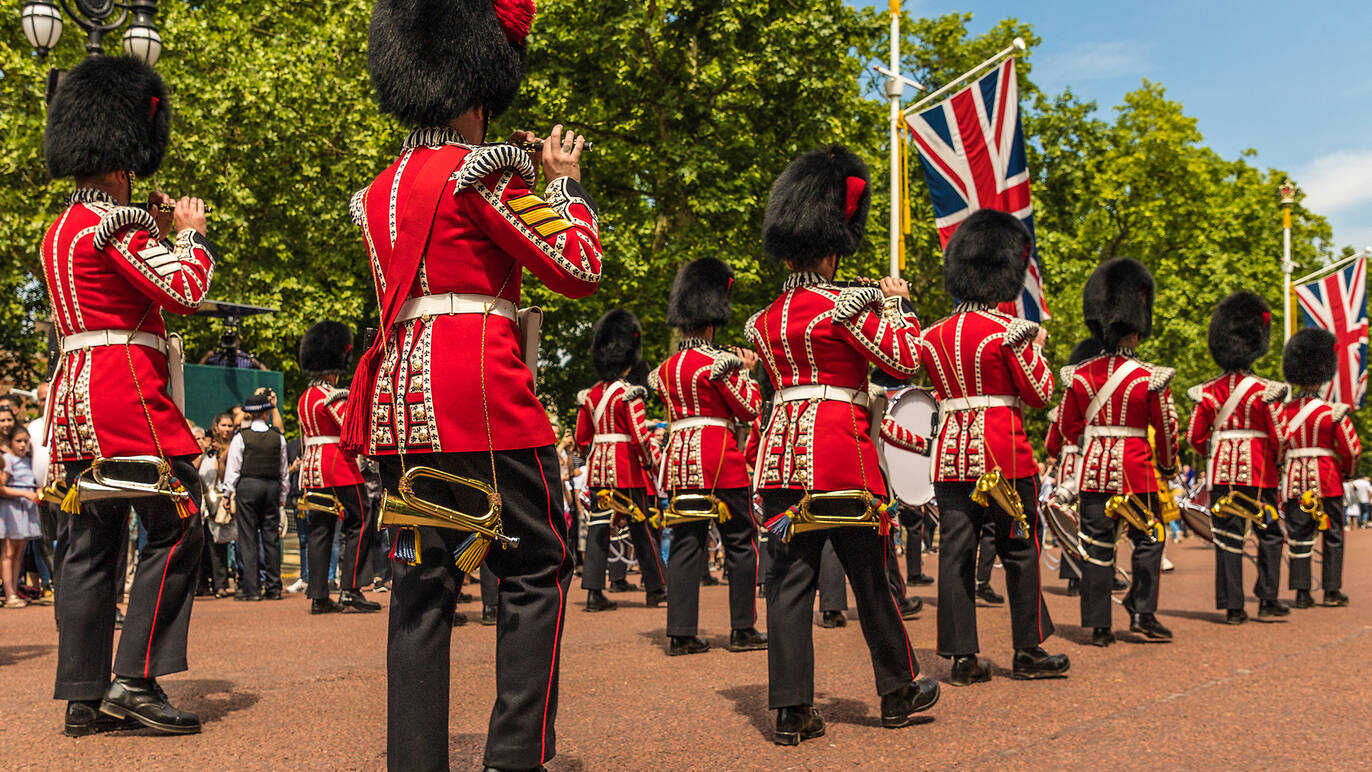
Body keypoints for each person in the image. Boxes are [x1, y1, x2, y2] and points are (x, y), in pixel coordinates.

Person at [347, 1, 601, 768]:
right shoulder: (481, 175)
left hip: (401, 399)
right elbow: (577, 270)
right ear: (476, 84)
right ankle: (515, 755)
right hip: (479, 392)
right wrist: (564, 188)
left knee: (424, 587)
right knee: (535, 566)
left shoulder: (376, 192)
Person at [41, 55, 213, 736]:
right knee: (179, 519)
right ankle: (134, 679)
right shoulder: (115, 226)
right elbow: (186, 292)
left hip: (77, 400)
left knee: (92, 538)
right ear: (121, 163)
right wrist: (190, 235)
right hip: (123, 395)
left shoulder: (63, 229)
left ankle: (83, 693)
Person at [746, 146, 938, 745]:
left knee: (789, 585)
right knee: (872, 579)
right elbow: (906, 361)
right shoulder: (847, 307)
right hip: (842, 454)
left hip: (782, 458)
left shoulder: (762, 320)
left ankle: (791, 711)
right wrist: (898, 306)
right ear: (834, 243)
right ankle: (897, 689)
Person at [917, 209, 1068, 686]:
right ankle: (1028, 649)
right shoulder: (1009, 333)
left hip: (950, 455)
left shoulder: (931, 335)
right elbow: (1041, 393)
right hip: (1003, 451)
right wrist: (1037, 347)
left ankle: (962, 658)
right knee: (1020, 550)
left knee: (955, 555)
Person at [648, 257, 767, 656]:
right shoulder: (719, 363)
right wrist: (748, 370)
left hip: (680, 460)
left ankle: (681, 633)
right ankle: (742, 628)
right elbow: (749, 409)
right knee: (740, 541)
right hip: (719, 458)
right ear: (713, 318)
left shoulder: (665, 369)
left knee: (687, 542)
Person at [1058, 259, 1180, 647]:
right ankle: (1142, 612)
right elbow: (1166, 430)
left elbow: (1067, 428)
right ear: (1136, 330)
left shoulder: (1079, 375)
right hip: (1137, 472)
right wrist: (1168, 464)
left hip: (1094, 471)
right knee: (1149, 539)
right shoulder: (1151, 378)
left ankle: (1098, 626)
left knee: (1096, 547)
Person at [1186, 292, 1288, 624]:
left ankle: (1233, 607)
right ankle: (1268, 597)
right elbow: (1279, 436)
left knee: (1228, 537)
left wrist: (1211, 455)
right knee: (1269, 534)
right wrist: (1278, 461)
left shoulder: (1208, 391)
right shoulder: (1265, 390)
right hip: (1259, 474)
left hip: (1222, 475)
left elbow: (1195, 437)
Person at [575, 310, 667, 611]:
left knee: (599, 528)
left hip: (598, 471)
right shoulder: (629, 394)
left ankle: (593, 592)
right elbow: (640, 437)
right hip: (626, 469)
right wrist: (652, 463)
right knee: (641, 527)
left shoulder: (590, 396)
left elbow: (582, 438)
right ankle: (656, 588)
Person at [297, 322, 379, 615]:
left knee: (320, 528)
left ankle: (319, 594)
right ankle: (351, 588)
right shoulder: (332, 395)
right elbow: (349, 429)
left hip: (312, 468)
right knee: (359, 519)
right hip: (338, 465)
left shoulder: (305, 397)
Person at [1277, 328, 1361, 607]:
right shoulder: (1332, 411)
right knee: (1333, 536)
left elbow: (1277, 447)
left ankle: (1302, 593)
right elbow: (1351, 448)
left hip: (1294, 482)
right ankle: (1331, 590)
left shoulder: (1283, 412)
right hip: (1327, 480)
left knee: (1299, 536)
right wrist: (1347, 472)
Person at [1044, 338, 1106, 596]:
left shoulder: (1063, 406)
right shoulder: (1102, 401)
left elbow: (1050, 445)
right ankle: (1094, 574)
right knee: (1088, 522)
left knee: (1070, 522)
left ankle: (1072, 577)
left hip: (1069, 463)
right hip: (1092, 461)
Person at [222, 392, 288, 601]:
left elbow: (233, 468)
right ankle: (274, 587)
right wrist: (283, 494)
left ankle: (251, 589)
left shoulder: (242, 437)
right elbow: (283, 470)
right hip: (271, 487)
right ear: (267, 413)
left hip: (248, 487)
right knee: (271, 538)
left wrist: (227, 492)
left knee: (248, 538)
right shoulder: (278, 437)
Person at [1, 427, 41, 607]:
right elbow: (2, 488)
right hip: (12, 508)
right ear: (10, 442)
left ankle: (14, 591)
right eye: (19, 441)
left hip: (26, 509)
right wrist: (25, 494)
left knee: (18, 553)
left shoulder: (27, 460)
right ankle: (9, 594)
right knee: (8, 552)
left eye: (26, 441)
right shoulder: (7, 460)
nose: (23, 444)